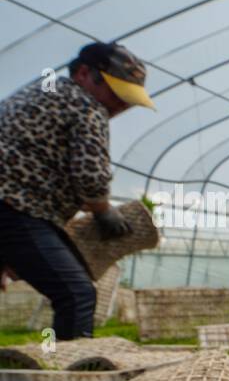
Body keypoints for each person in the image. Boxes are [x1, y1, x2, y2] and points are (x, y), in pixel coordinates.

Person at [0, 41, 155, 340]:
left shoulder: (42, 93)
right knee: (77, 293)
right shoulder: (86, 105)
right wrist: (103, 211)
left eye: (128, 99)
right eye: (117, 93)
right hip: (16, 206)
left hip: (12, 205)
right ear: (84, 73)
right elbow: (90, 175)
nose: (121, 105)